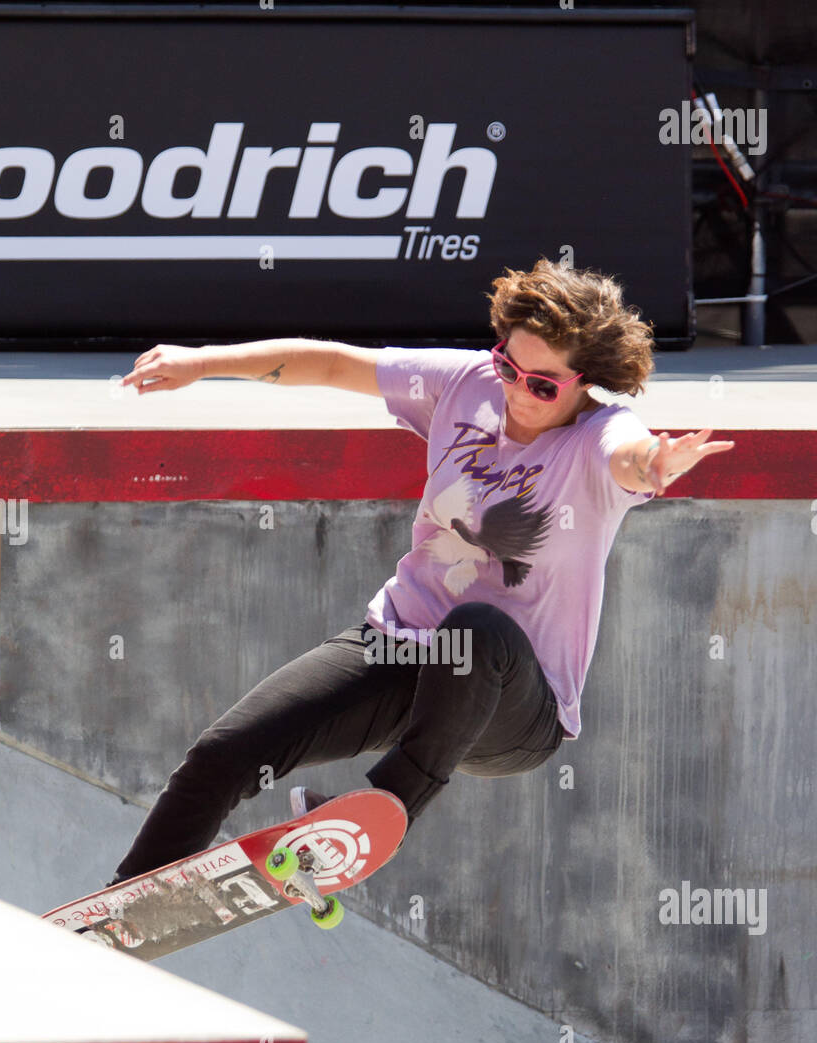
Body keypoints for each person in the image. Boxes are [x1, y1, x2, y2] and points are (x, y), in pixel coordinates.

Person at [108, 258, 733, 884]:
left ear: (585, 383)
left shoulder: (599, 435)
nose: (517, 392)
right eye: (508, 367)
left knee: (478, 628)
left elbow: (629, 456)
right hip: (400, 651)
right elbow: (331, 363)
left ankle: (380, 812)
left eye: (542, 386)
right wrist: (201, 362)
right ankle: (119, 912)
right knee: (224, 754)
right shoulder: (462, 384)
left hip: (512, 709)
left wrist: (655, 463)